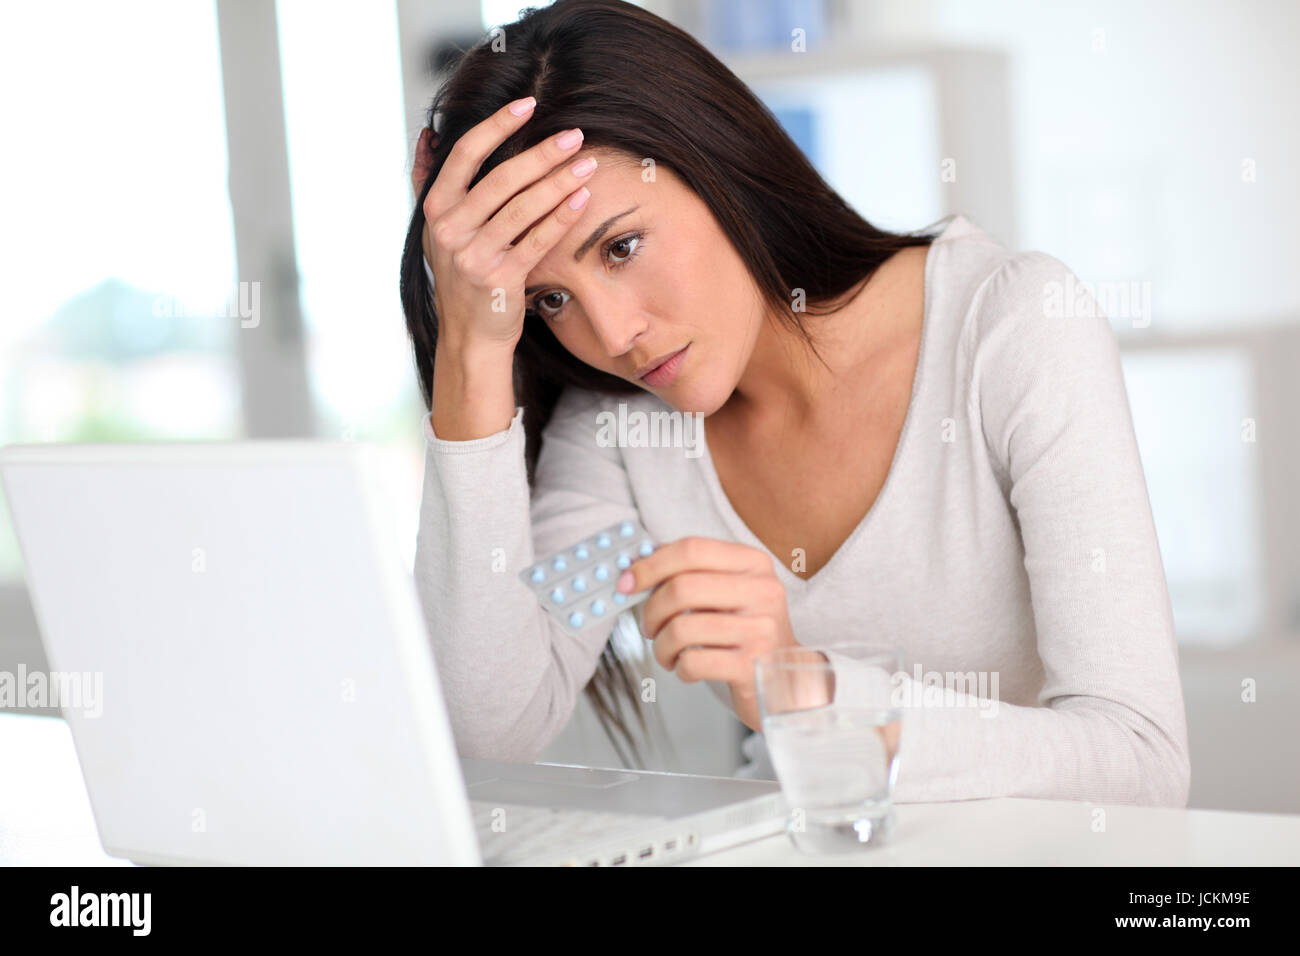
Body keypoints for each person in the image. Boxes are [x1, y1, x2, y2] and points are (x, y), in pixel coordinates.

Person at [398, 0, 1189, 806]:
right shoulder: (623, 436)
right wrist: (472, 347)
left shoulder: (1010, 332)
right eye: (549, 301)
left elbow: (1140, 763)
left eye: (622, 246)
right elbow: (487, 727)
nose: (614, 334)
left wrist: (805, 689)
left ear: (712, 157)